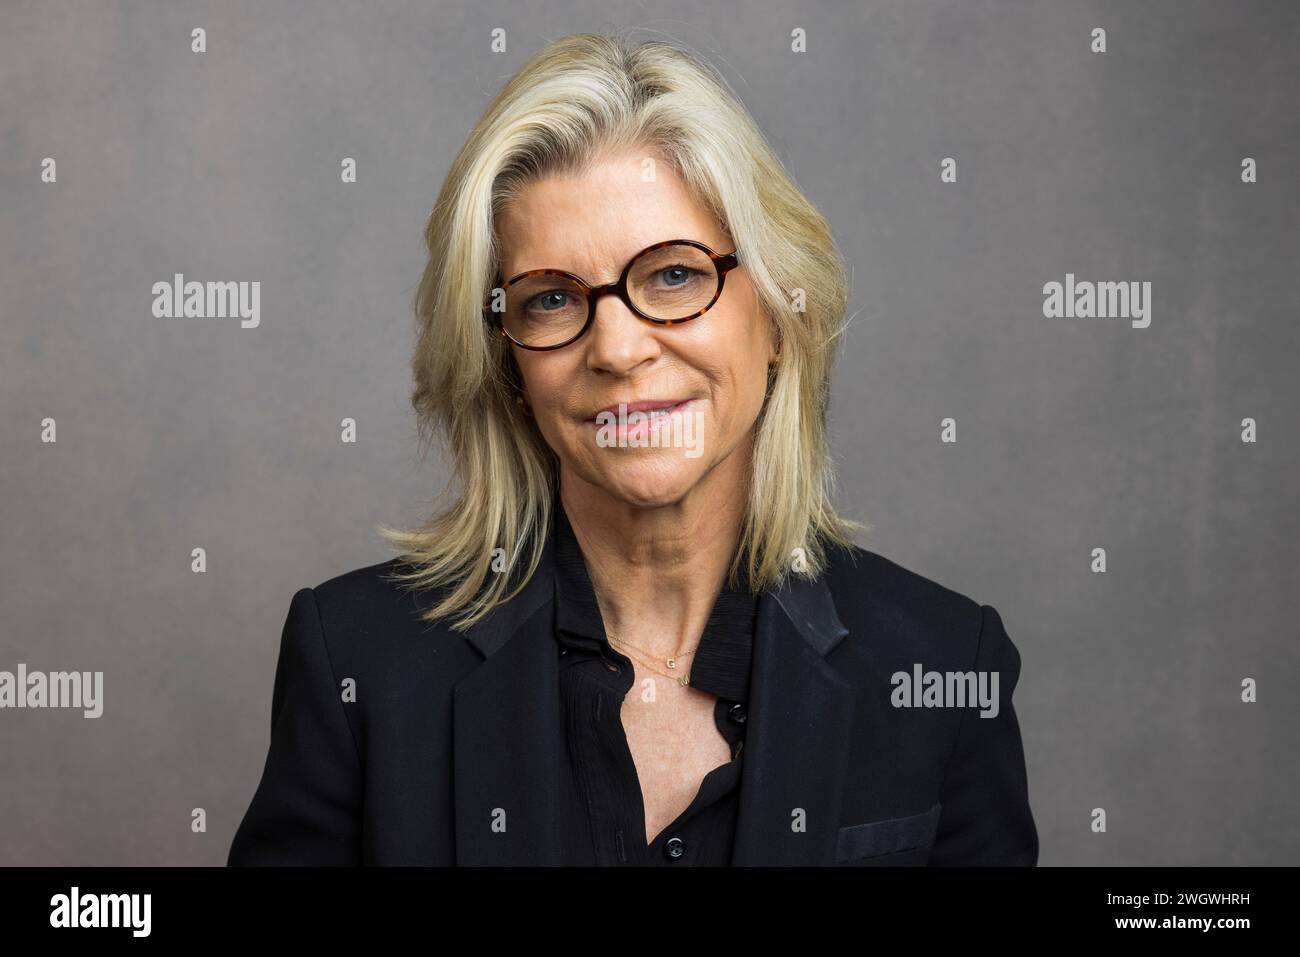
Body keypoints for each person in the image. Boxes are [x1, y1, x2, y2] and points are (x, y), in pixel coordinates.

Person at [228, 31, 1038, 866]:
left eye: (675, 275)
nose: (617, 349)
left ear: (776, 313)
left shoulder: (942, 668)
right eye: (550, 298)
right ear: (506, 360)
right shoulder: (358, 660)